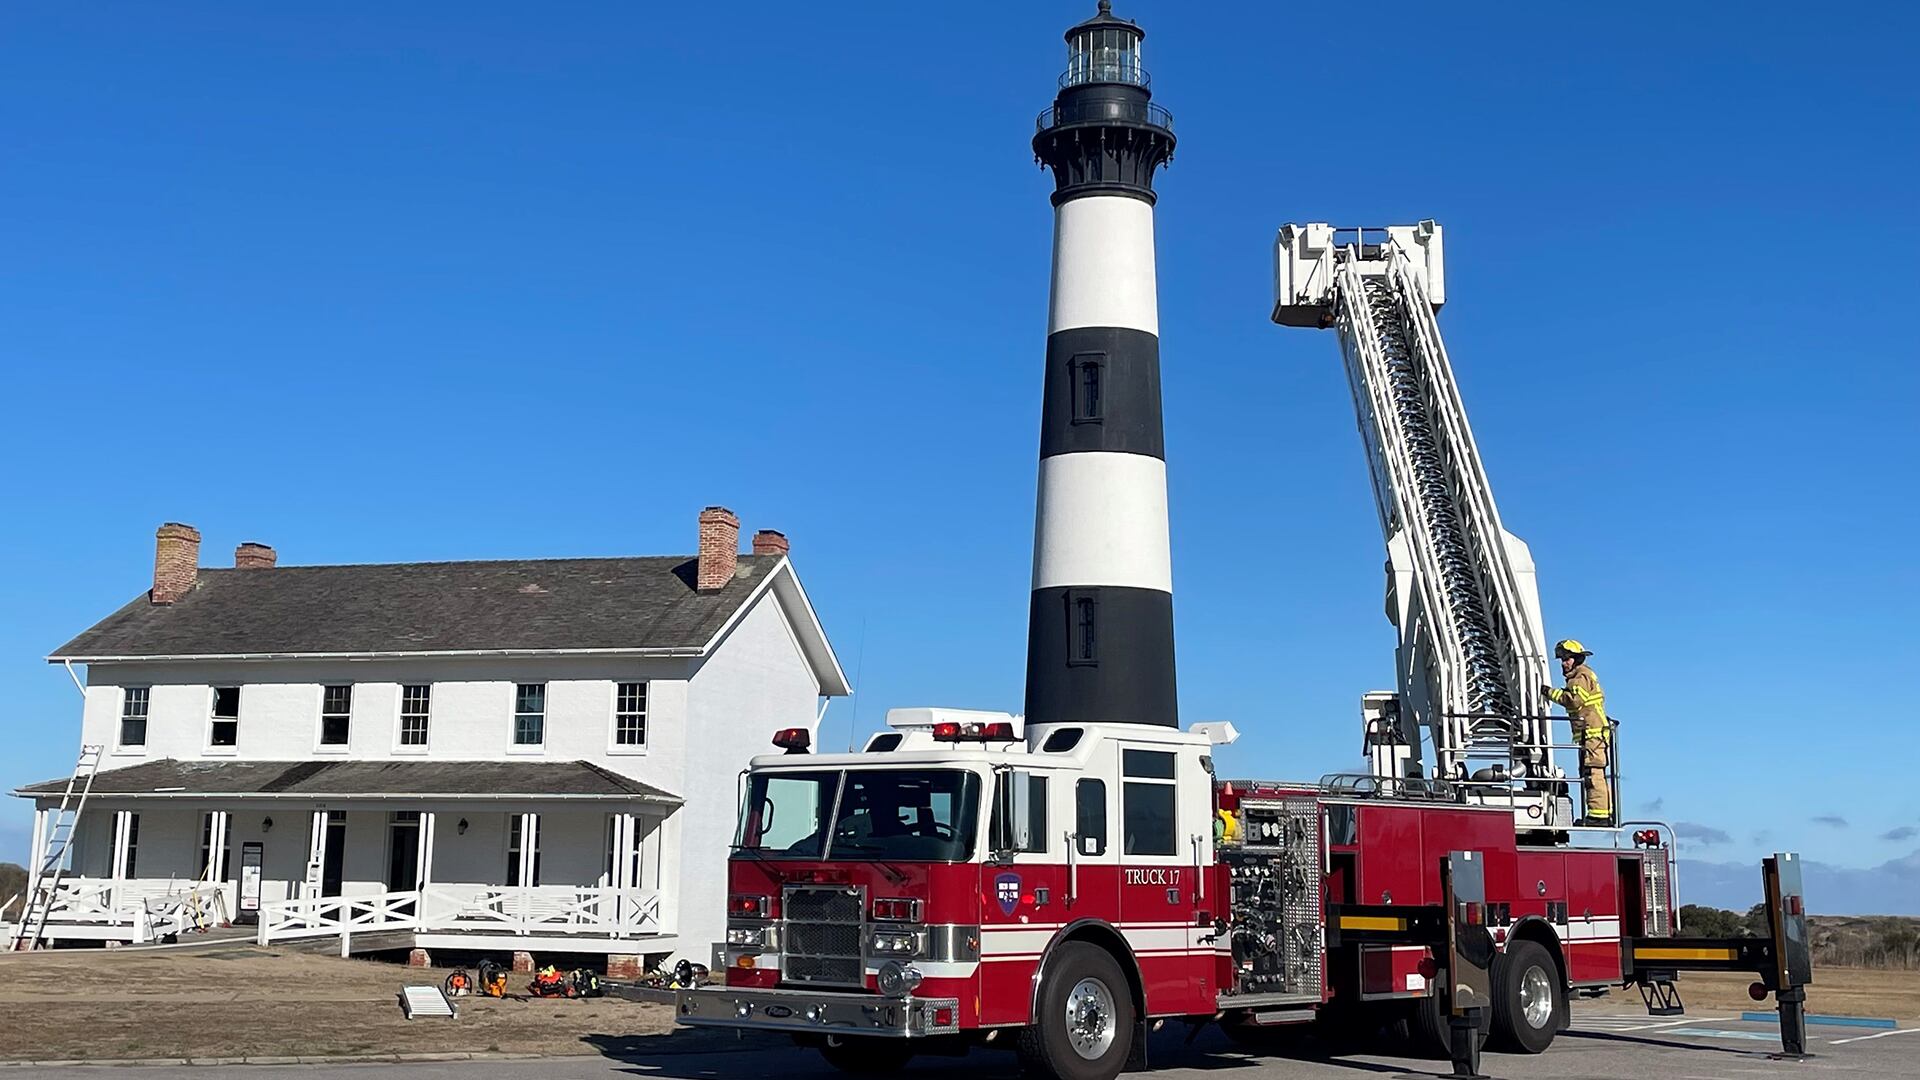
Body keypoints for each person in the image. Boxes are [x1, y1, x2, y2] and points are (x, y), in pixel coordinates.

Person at [1542, 639, 1612, 826]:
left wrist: (1549, 693)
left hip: (1592, 734)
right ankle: (1601, 813)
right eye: (1562, 659)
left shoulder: (1580, 677)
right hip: (1590, 734)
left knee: (1593, 774)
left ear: (1577, 659)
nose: (1563, 663)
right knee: (1593, 773)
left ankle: (1599, 816)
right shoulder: (1583, 675)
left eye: (1567, 659)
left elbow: (1574, 701)